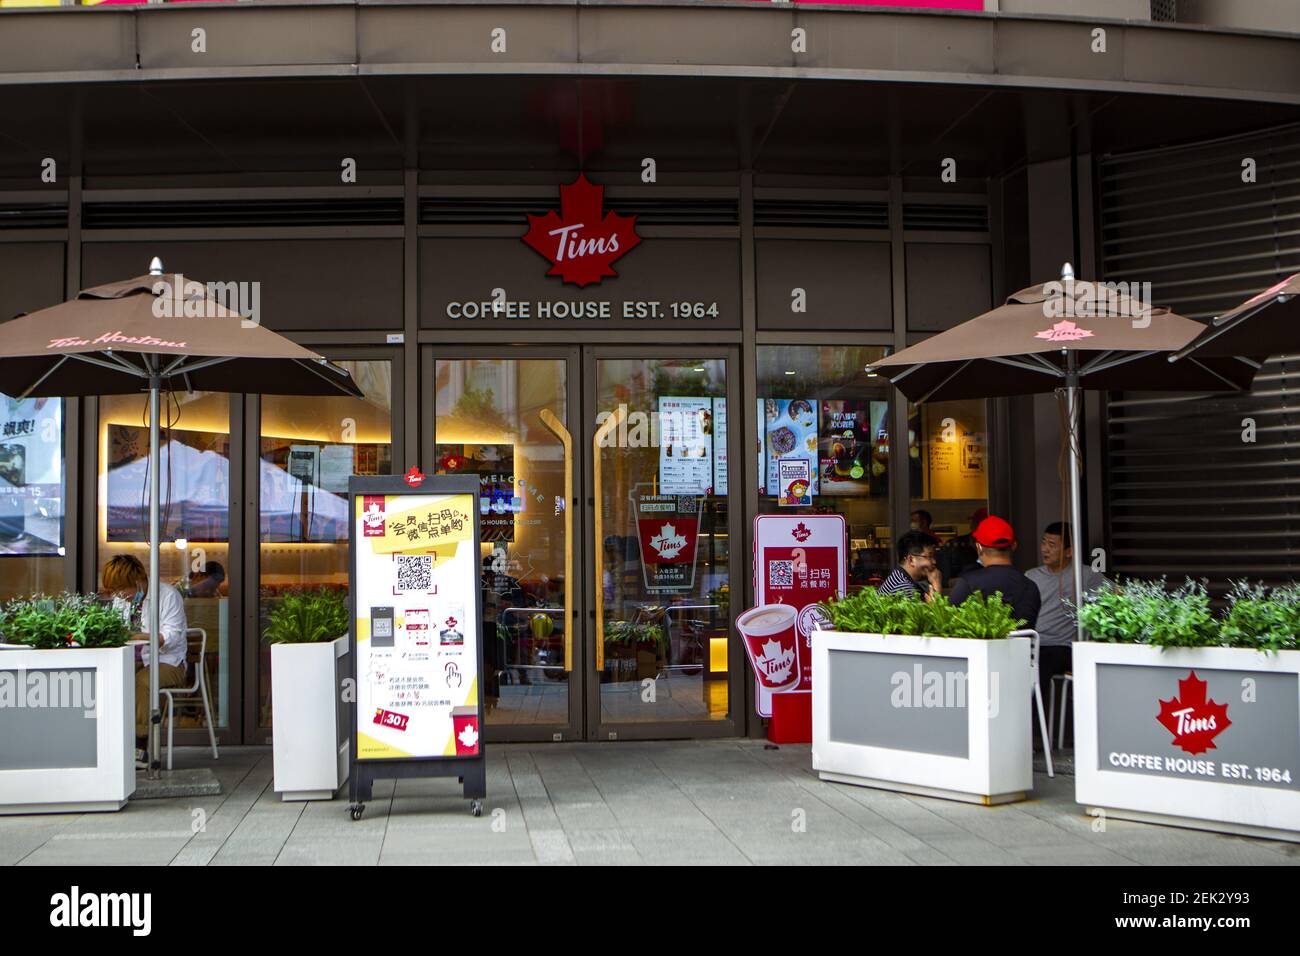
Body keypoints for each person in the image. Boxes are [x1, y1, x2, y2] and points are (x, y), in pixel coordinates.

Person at [103, 554, 189, 769]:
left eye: (122, 589)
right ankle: (111, 743)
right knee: (110, 679)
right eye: (115, 590)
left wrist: (137, 636)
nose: (119, 595)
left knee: (142, 682)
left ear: (139, 580)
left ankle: (139, 745)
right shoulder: (121, 601)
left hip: (169, 661)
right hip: (136, 659)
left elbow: (172, 637)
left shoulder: (167, 595)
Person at [1026, 522, 1107, 725]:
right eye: (1044, 542)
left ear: (1069, 551)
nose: (1045, 549)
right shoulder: (1031, 576)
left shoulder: (1085, 575)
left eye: (1052, 544)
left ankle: (1032, 729)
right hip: (1031, 644)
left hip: (1061, 646)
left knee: (1041, 664)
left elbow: (1116, 595)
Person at [948, 515, 1041, 630]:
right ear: (1014, 546)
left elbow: (947, 622)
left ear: (979, 547)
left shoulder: (968, 584)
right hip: (1024, 643)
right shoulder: (1030, 587)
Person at [878, 530, 942, 601]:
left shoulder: (900, 577)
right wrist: (936, 585)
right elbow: (934, 608)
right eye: (930, 556)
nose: (934, 561)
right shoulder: (903, 589)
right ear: (911, 560)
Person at [937, 505, 985, 584]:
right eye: (973, 521)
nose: (972, 524)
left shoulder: (989, 549)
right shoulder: (954, 545)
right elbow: (945, 579)